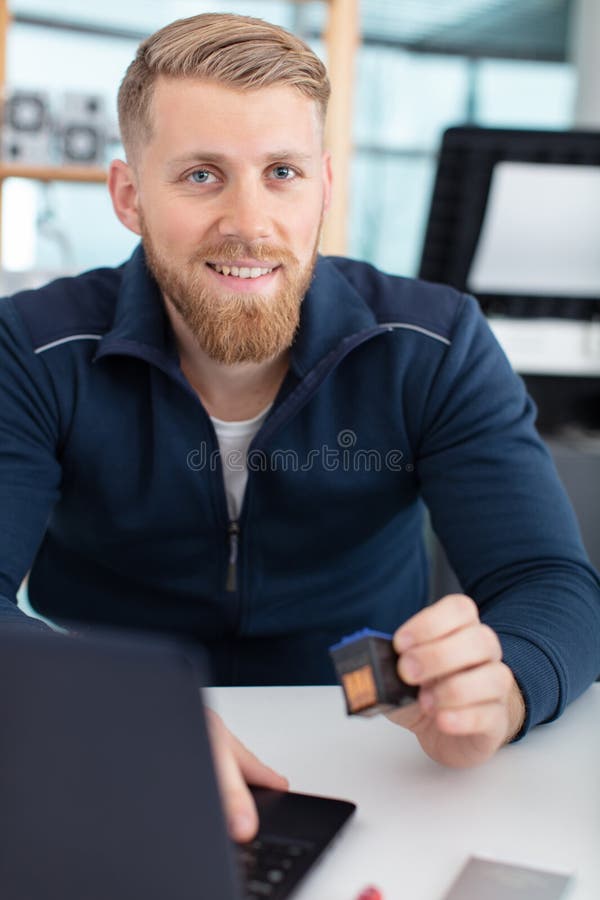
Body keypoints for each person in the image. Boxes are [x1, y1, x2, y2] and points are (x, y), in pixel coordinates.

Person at [1, 13, 599, 843]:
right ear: (130, 197)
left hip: (369, 727)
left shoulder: (433, 342)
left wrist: (509, 687)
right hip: (110, 741)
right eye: (202, 175)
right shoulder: (32, 348)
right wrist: (103, 709)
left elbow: (550, 581)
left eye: (280, 172)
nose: (250, 222)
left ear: (324, 184)